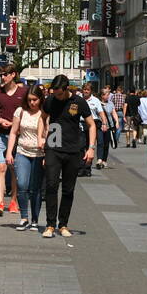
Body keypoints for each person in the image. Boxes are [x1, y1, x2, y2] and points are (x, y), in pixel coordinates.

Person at [42, 75, 95, 238]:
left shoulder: (79, 102)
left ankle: (63, 224)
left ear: (66, 90)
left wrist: (91, 148)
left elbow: (91, 124)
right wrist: (41, 136)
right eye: (54, 93)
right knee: (51, 185)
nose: (56, 96)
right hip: (53, 148)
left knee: (68, 189)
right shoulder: (50, 100)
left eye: (59, 94)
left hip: (73, 150)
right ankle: (50, 225)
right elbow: (42, 118)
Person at [6, 87, 47, 231]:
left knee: (35, 188)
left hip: (39, 154)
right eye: (29, 100)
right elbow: (13, 132)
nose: (32, 103)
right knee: (22, 184)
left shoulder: (45, 113)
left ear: (41, 99)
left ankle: (35, 220)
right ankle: (24, 217)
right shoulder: (20, 111)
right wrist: (9, 152)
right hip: (22, 151)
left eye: (35, 100)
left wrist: (47, 154)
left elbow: (51, 134)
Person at [0, 64, 27, 216]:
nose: (2, 77)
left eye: (5, 74)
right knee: (0, 166)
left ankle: (13, 201)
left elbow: (27, 112)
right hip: (0, 133)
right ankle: (0, 202)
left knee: (14, 169)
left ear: (13, 75)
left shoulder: (23, 92)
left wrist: (15, 124)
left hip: (17, 136)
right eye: (1, 75)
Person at [82, 83, 110, 170]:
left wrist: (104, 123)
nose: (86, 91)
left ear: (91, 91)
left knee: (100, 141)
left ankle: (99, 160)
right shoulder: (79, 99)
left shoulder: (95, 100)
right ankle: (86, 166)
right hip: (83, 123)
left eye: (88, 90)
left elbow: (101, 113)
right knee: (85, 145)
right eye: (85, 89)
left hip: (95, 123)